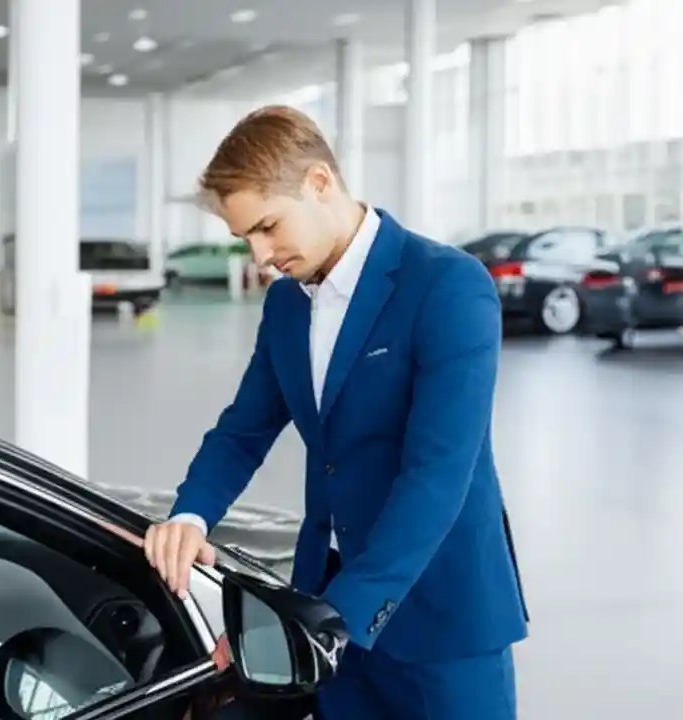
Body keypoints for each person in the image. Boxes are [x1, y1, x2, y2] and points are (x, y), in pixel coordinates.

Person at [143, 105, 529, 719]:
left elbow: (437, 475)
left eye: (268, 227)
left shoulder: (449, 286)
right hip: (328, 606)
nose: (262, 255)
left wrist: (331, 621)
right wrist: (191, 516)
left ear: (319, 183)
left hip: (439, 620)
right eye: (246, 238)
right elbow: (244, 429)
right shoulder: (287, 306)